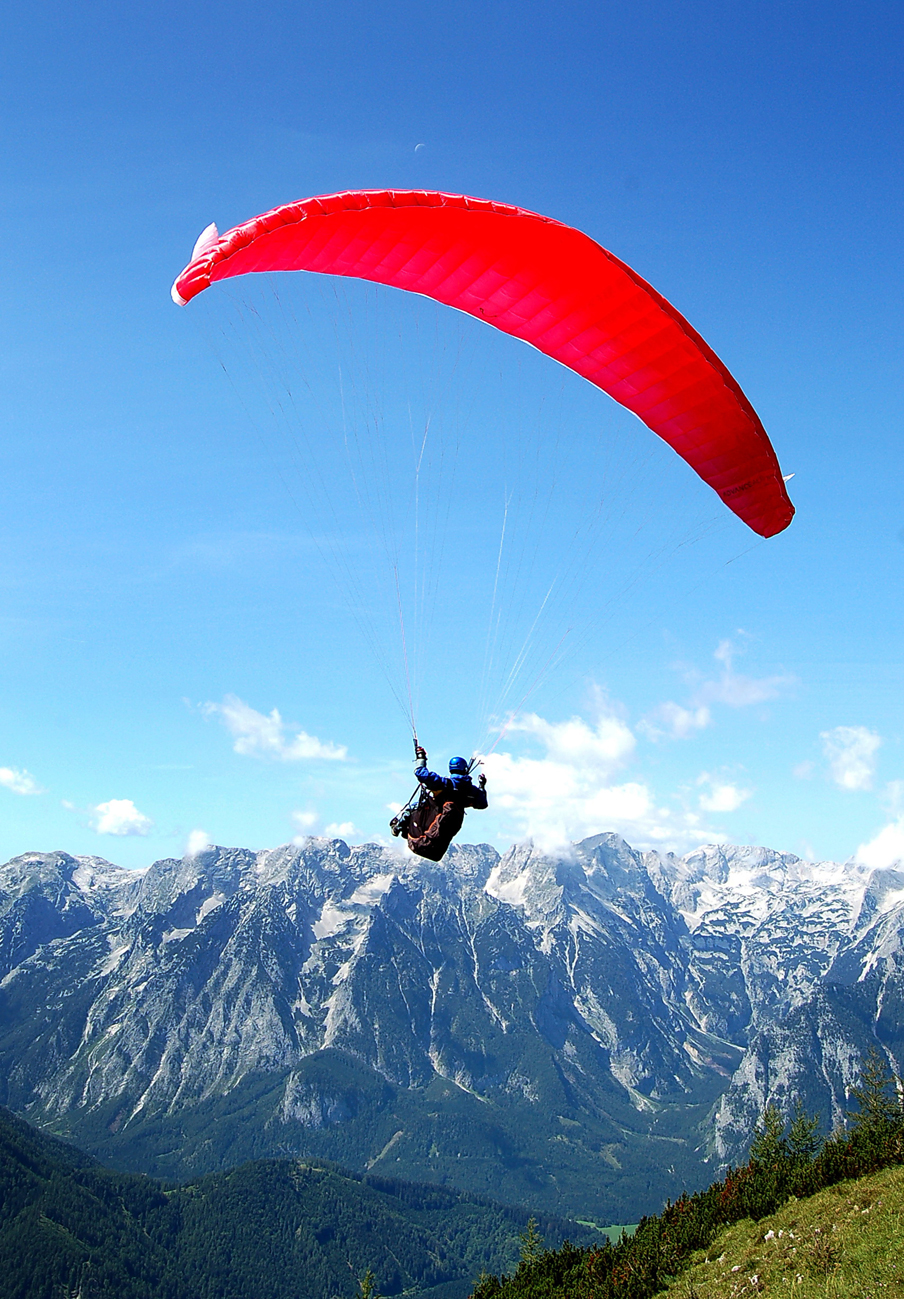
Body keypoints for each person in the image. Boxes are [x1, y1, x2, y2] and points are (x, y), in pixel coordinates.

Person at [403, 746, 487, 862]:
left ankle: (399, 826)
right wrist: (482, 787)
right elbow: (482, 804)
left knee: (414, 808)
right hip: (437, 850)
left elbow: (420, 773)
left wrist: (421, 758)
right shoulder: (471, 792)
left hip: (421, 840)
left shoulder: (445, 784)